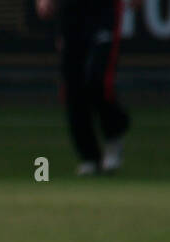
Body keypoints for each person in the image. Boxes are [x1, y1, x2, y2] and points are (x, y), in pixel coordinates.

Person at [37, 0, 131, 175]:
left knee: (99, 80)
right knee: (73, 85)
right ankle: (89, 156)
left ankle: (114, 134)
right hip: (70, 11)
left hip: (104, 10)